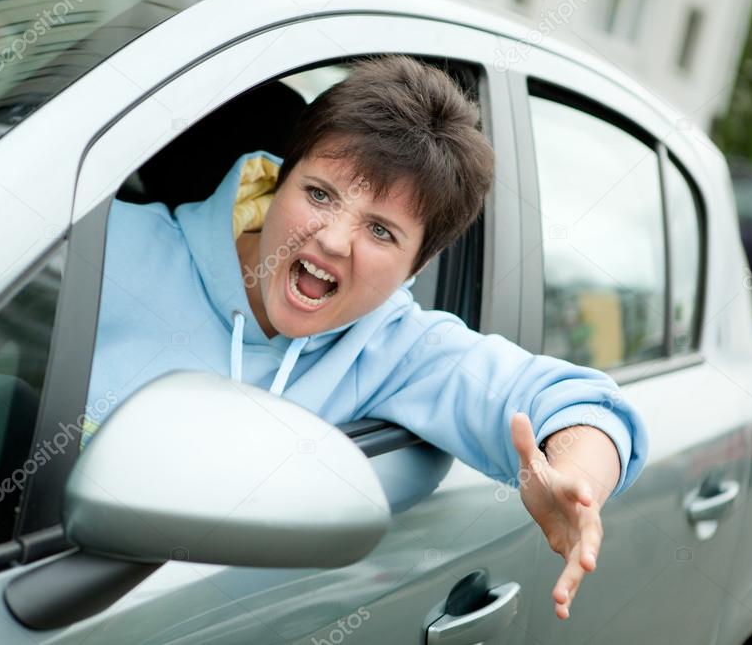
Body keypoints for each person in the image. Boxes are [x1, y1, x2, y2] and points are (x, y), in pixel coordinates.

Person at [82, 55, 648, 621]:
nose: (332, 239)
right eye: (321, 194)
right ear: (282, 177)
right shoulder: (108, 249)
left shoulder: (398, 348)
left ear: (414, 267)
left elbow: (577, 402)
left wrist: (578, 480)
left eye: (380, 230)